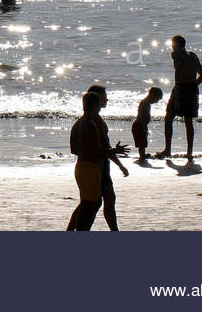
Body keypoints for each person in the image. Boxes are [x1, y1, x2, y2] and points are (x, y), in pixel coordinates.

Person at [66, 91, 128, 231]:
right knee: (90, 204)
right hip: (89, 168)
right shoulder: (89, 124)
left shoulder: (80, 123)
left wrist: (107, 152)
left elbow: (75, 150)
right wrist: (113, 151)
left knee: (92, 203)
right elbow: (93, 151)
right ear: (96, 106)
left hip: (84, 167)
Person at [86, 85, 130, 230]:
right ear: (97, 99)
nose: (107, 99)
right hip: (97, 167)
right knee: (92, 203)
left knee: (102, 201)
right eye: (104, 97)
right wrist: (120, 164)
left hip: (102, 164)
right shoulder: (93, 121)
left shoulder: (95, 119)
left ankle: (114, 230)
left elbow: (105, 148)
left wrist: (118, 163)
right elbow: (104, 148)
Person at [158, 35, 202, 162]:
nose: (172, 47)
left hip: (180, 90)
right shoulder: (193, 55)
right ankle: (189, 152)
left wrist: (175, 56)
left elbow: (178, 67)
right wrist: (193, 85)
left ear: (177, 45)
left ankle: (168, 149)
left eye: (173, 45)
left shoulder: (177, 55)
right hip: (192, 90)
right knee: (188, 122)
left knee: (169, 118)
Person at [133, 86, 164, 163]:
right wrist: (143, 126)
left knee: (143, 141)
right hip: (139, 125)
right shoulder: (144, 103)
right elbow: (141, 116)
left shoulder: (146, 103)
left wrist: (145, 127)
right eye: (157, 99)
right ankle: (142, 155)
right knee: (141, 142)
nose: (156, 102)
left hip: (141, 125)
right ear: (152, 95)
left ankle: (142, 154)